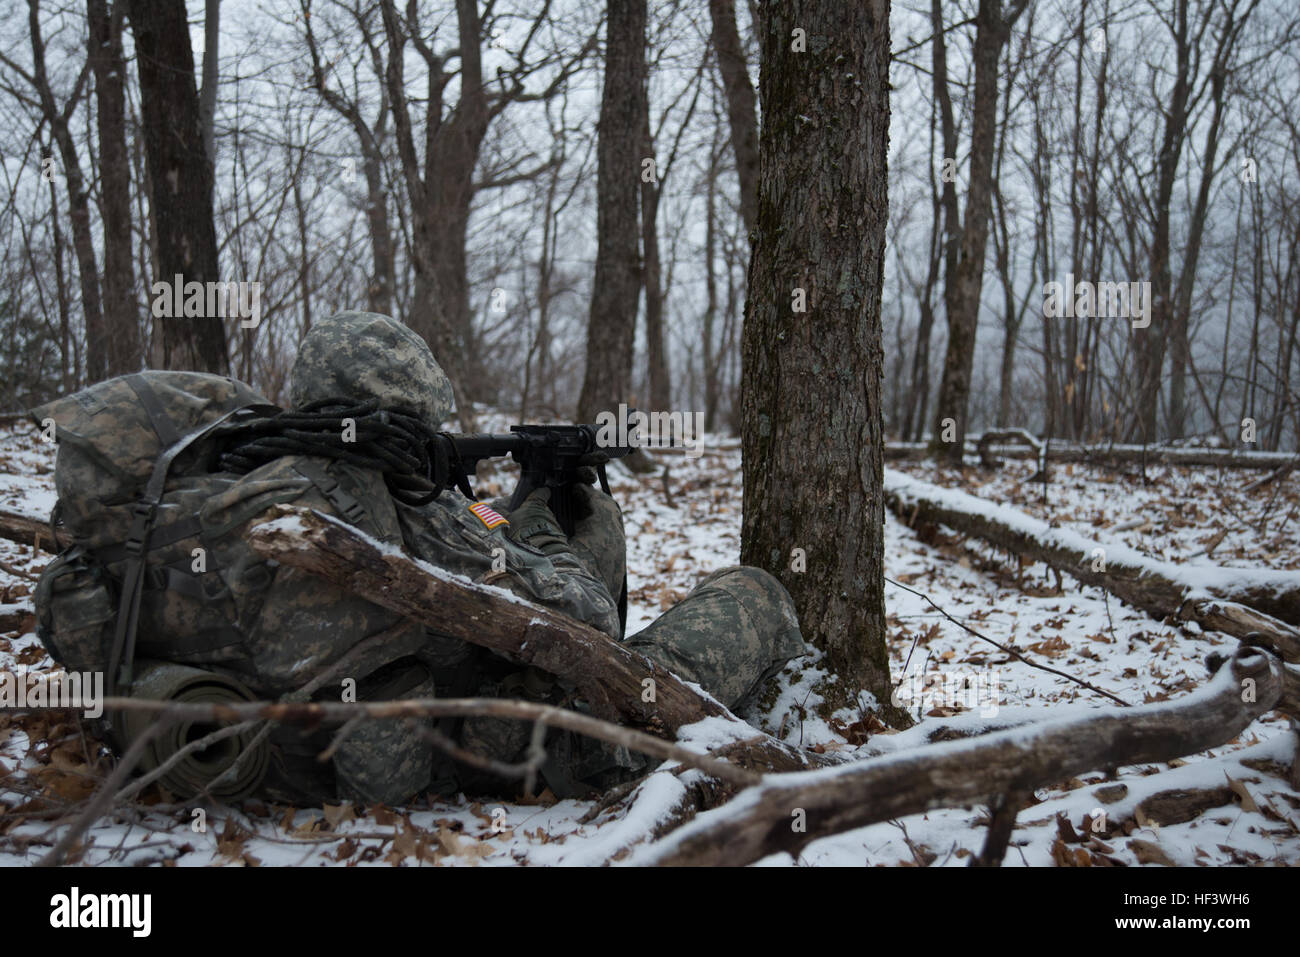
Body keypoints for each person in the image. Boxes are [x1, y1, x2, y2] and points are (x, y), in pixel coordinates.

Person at [282, 310, 808, 799]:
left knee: (546, 518)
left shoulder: (276, 485)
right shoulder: (418, 515)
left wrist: (514, 522)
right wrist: (540, 530)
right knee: (754, 589)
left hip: (327, 747)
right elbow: (594, 619)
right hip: (503, 747)